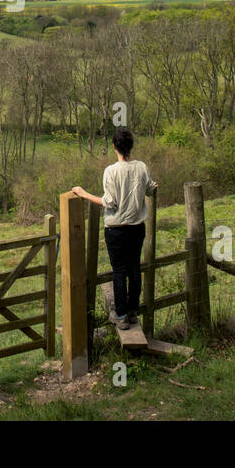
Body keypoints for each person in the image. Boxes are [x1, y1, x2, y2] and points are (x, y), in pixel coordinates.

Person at [70, 127, 157, 330]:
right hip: (137, 227)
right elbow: (149, 191)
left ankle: (120, 315)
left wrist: (83, 194)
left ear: (114, 146)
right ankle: (133, 311)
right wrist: (153, 188)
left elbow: (109, 202)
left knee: (119, 270)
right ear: (131, 146)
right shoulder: (142, 167)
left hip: (116, 229)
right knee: (134, 268)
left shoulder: (111, 171)